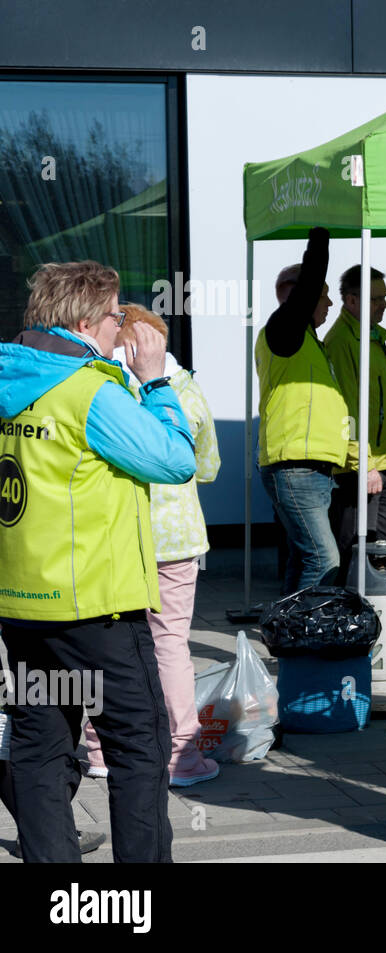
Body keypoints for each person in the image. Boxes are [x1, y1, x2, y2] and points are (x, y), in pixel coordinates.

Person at [0, 260, 195, 862]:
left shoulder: (10, 380)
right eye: (115, 315)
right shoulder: (89, 393)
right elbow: (173, 461)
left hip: (24, 605)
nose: (121, 325)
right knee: (138, 745)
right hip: (97, 609)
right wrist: (157, 383)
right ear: (87, 320)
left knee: (39, 746)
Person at [82, 305, 222, 788]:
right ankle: (182, 757)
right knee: (170, 645)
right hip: (176, 541)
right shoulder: (187, 393)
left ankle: (100, 749)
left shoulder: (103, 392)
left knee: (110, 645)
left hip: (115, 536)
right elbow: (207, 468)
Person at [256, 227, 348, 594]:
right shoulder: (285, 329)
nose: (328, 305)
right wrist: (321, 236)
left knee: (305, 556)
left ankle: (286, 632)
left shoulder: (307, 341)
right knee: (325, 559)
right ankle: (305, 630)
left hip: (313, 467)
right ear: (302, 298)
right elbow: (310, 283)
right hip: (295, 466)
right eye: (323, 297)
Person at [324, 264, 386, 584]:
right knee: (356, 551)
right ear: (351, 301)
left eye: (384, 297)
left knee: (384, 553)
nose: (384, 305)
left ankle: (378, 616)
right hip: (363, 469)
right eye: (376, 299)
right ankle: (347, 617)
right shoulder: (343, 342)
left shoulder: (372, 338)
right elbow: (344, 409)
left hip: (384, 465)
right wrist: (361, 462)